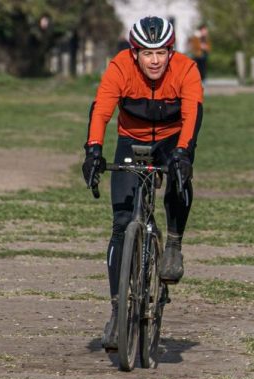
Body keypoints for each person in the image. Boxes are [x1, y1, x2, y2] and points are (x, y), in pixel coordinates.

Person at [82, 16, 204, 350]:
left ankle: (174, 244)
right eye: (147, 53)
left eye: (161, 52)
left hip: (171, 140)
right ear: (134, 52)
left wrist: (183, 153)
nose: (154, 60)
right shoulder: (120, 68)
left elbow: (193, 113)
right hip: (130, 140)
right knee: (122, 224)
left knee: (180, 176)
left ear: (170, 52)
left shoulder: (186, 70)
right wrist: (93, 150)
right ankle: (117, 311)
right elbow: (101, 111)